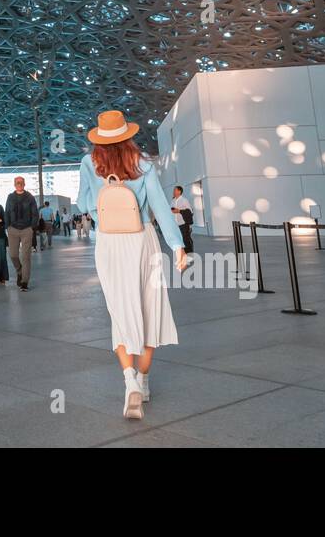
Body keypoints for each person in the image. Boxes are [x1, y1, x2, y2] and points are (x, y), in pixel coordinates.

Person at [77, 111, 186, 421]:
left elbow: (83, 204)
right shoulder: (143, 164)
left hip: (109, 243)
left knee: (120, 312)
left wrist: (101, 205)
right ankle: (145, 380)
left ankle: (129, 381)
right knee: (150, 312)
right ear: (127, 135)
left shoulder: (89, 163)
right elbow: (160, 209)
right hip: (143, 239)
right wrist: (178, 246)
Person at [4, 176, 39, 291]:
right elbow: (7, 212)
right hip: (13, 229)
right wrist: (7, 226)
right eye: (17, 182)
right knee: (13, 255)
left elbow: (35, 213)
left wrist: (32, 228)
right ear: (14, 184)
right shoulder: (10, 197)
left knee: (26, 257)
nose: (19, 184)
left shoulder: (30, 197)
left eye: (21, 182)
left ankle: (24, 281)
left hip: (26, 230)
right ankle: (19, 271)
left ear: (24, 184)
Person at [171, 186, 196, 253]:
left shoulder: (184, 200)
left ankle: (190, 256)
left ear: (179, 191)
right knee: (178, 241)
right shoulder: (172, 201)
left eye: (175, 190)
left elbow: (190, 211)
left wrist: (179, 211)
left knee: (186, 240)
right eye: (173, 190)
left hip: (183, 224)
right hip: (176, 225)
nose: (173, 191)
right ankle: (182, 256)